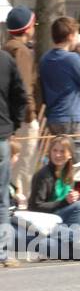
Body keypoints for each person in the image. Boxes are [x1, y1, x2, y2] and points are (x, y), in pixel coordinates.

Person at [38, 16, 80, 161]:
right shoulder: (71, 59)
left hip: (54, 118)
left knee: (59, 159)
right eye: (76, 34)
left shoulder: (45, 58)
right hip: (71, 117)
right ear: (70, 36)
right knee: (77, 160)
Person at [3, 6, 41, 208]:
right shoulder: (21, 51)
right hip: (22, 119)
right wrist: (30, 117)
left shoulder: (6, 48)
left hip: (8, 119)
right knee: (23, 166)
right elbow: (24, 89)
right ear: (27, 28)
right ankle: (21, 203)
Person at [0, 43, 29, 267]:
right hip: (1, 134)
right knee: (1, 199)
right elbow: (21, 95)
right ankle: (1, 253)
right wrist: (13, 125)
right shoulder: (6, 59)